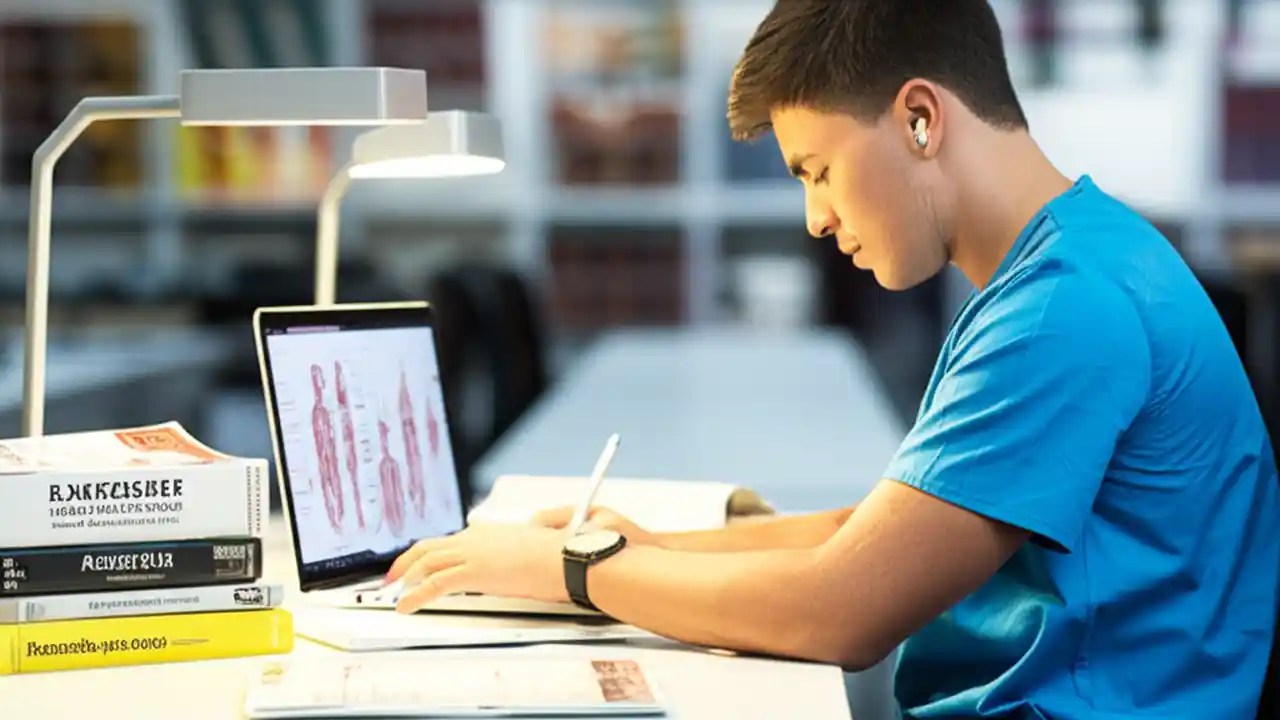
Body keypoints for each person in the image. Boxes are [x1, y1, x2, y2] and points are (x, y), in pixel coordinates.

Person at [385, 2, 1280, 717]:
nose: (815, 217)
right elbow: (889, 529)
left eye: (816, 168)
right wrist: (652, 547)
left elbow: (845, 609)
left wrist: (578, 574)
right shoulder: (1074, 262)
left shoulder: (1062, 309)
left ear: (920, 119)